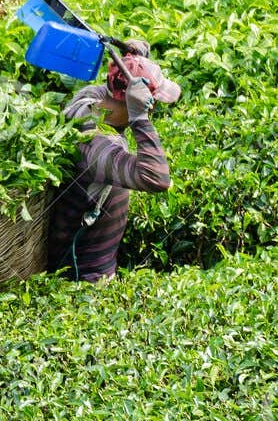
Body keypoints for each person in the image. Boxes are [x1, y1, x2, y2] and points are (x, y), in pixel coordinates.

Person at [47, 42, 179, 282]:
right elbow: (157, 178)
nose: (153, 109)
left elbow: (115, 87)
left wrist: (134, 59)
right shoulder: (95, 147)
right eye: (153, 103)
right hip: (83, 280)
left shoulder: (89, 99)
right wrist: (139, 118)